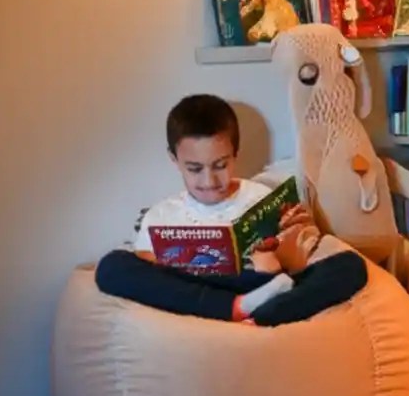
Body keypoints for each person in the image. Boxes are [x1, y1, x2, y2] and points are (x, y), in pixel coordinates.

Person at [94, 94, 367, 326]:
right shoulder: (161, 215)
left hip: (259, 283)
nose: (209, 181)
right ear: (174, 160)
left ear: (235, 154)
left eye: (220, 165)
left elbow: (289, 268)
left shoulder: (260, 198)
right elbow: (148, 268)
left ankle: (264, 310)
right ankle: (241, 309)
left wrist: (289, 240)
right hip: (197, 289)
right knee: (111, 267)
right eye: (194, 169)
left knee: (350, 266)